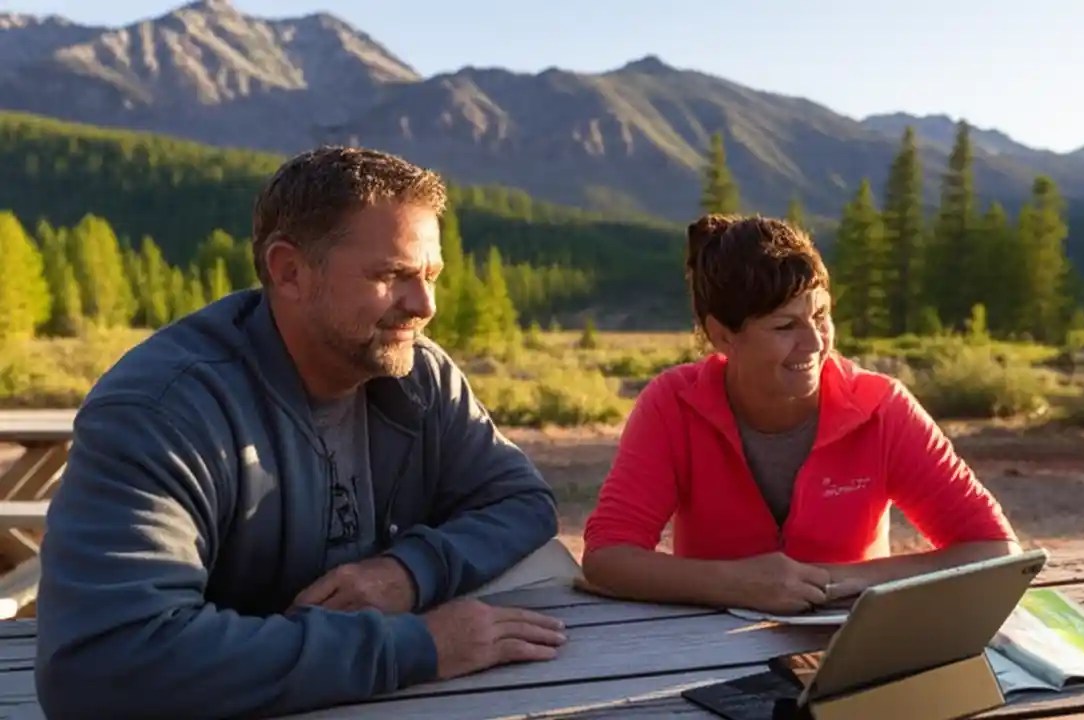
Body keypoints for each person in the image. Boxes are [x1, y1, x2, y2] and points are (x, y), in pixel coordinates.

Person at [35, 147, 574, 719]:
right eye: (391, 275)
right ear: (289, 271)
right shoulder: (163, 411)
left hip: (363, 692)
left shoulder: (420, 376)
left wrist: (409, 573)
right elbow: (105, 663)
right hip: (226, 704)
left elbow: (521, 502)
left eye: (431, 276)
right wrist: (417, 647)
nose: (424, 306)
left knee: (552, 566)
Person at [581, 213, 1021, 615]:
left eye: (821, 315)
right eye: (785, 326)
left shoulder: (882, 407)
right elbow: (607, 556)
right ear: (722, 335)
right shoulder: (673, 404)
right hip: (710, 650)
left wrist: (835, 581)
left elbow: (995, 550)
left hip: (852, 646)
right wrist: (735, 584)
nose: (814, 343)